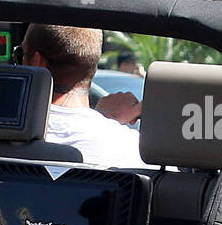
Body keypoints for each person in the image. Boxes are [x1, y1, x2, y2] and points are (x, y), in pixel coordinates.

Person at [19, 24, 148, 168]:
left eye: (20, 55)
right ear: (93, 64)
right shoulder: (134, 149)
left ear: (38, 62)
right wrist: (102, 119)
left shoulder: (0, 134)